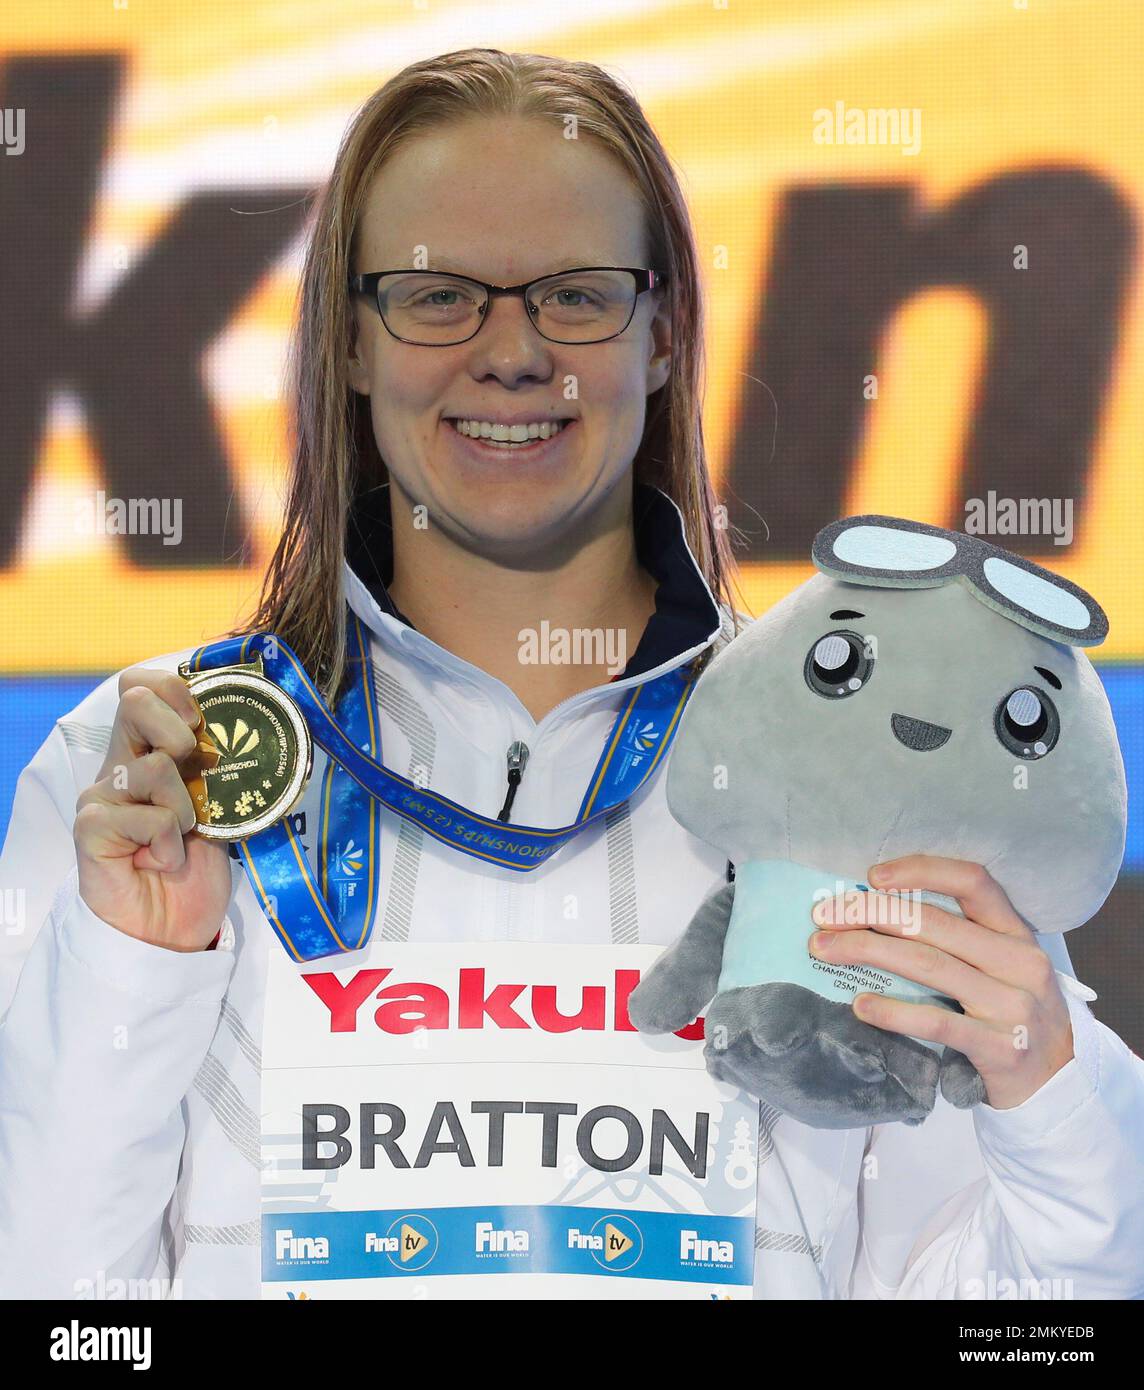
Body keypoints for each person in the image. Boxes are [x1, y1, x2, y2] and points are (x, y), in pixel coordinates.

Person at [1, 47, 1142, 1302]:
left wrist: (1054, 1096)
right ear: (352, 345)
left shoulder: (848, 772)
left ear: (662, 336)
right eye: (436, 296)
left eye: (577, 294)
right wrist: (128, 966)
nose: (509, 352)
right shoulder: (162, 765)